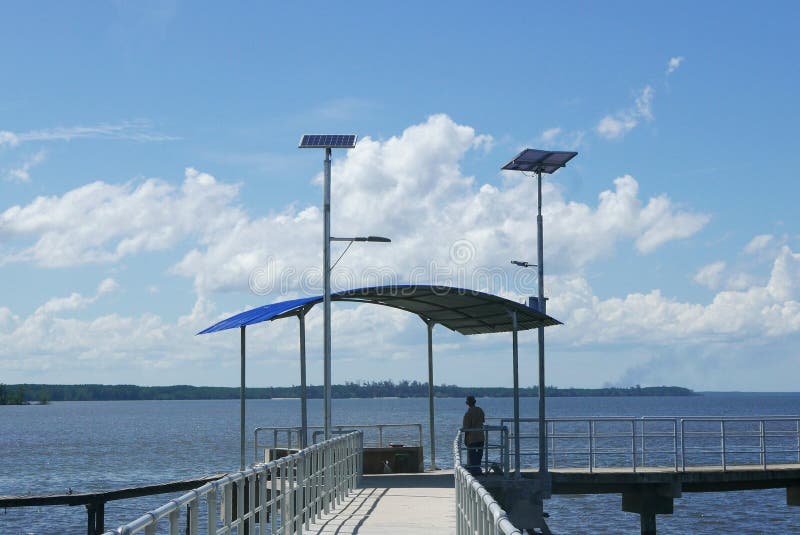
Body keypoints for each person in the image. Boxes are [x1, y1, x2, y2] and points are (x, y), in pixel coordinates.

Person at [462, 395, 485, 476]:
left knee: (472, 454)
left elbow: (466, 428)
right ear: (475, 402)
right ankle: (478, 469)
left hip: (472, 438)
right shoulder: (480, 410)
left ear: (467, 403)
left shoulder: (468, 414)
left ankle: (474, 470)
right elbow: (483, 420)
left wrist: (465, 438)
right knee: (479, 454)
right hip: (481, 436)